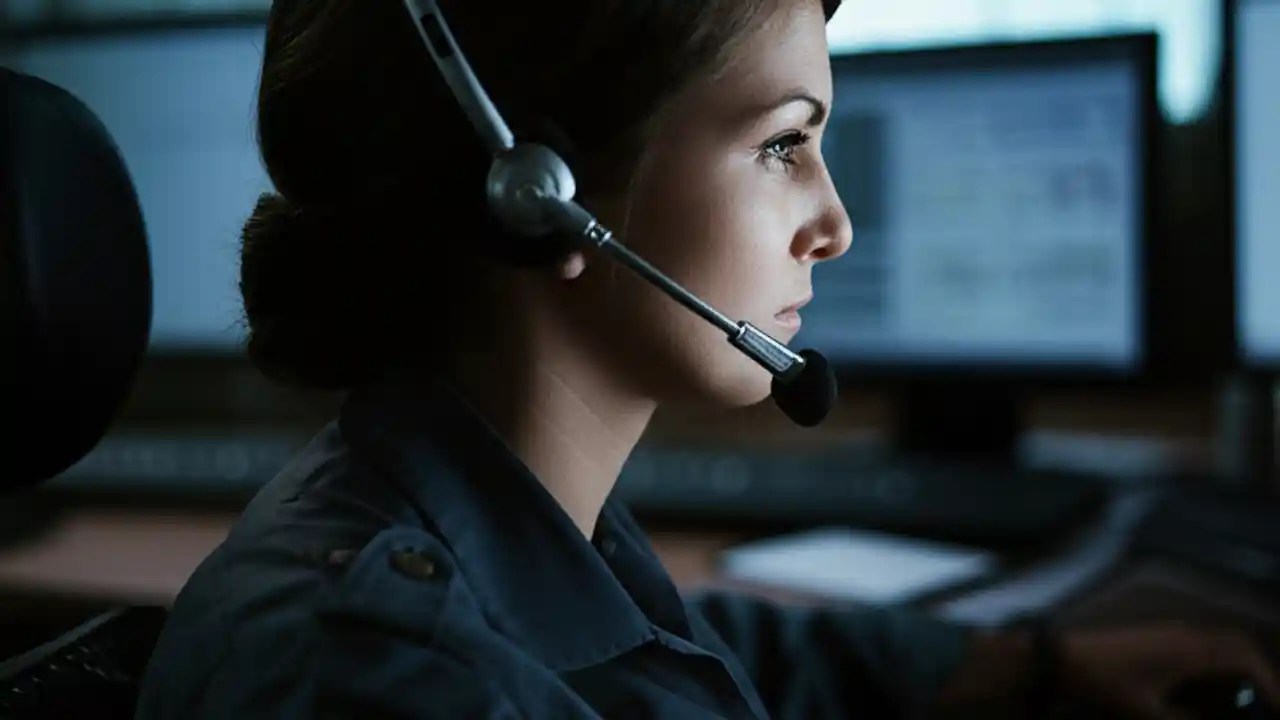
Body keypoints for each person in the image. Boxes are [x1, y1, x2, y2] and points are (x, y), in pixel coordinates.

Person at [135, 0, 1280, 717]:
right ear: (543, 194)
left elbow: (681, 647)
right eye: (781, 144)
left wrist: (1027, 667)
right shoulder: (392, 676)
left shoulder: (504, 522)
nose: (833, 222)